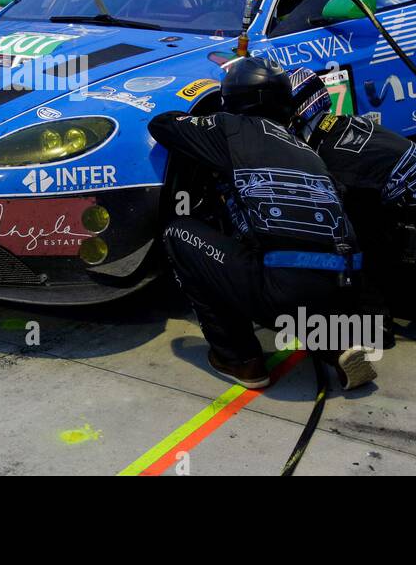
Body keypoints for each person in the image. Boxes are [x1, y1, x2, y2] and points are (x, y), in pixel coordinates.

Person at [148, 56, 376, 391]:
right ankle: (335, 344)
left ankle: (241, 360)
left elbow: (164, 125)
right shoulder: (309, 153)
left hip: (282, 290)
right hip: (346, 288)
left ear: (233, 100)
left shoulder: (233, 128)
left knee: (179, 233)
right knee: (288, 259)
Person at [288, 69, 416, 342]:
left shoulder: (335, 158)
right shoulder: (337, 127)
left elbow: (355, 230)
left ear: (300, 112)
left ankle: (376, 321)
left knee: (338, 236)